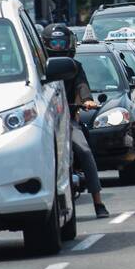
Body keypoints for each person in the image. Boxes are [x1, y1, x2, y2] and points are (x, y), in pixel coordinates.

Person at [43, 23, 110, 219]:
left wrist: (87, 100)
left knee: (85, 150)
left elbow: (82, 86)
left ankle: (98, 202)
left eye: (62, 42)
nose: (58, 47)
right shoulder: (38, 67)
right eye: (54, 43)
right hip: (43, 124)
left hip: (67, 121)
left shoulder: (75, 67)